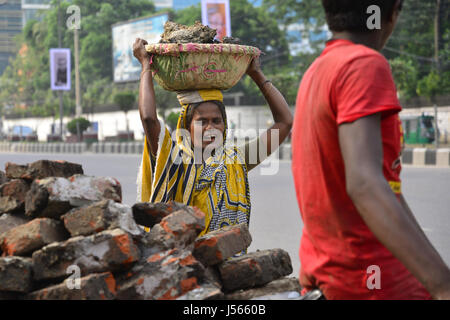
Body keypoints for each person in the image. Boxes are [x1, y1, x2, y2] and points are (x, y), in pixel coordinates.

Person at [291, 0, 450, 300]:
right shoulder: (363, 64)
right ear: (391, 13)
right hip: (371, 280)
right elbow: (365, 185)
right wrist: (442, 285)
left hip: (328, 273)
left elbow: (387, 189)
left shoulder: (316, 70)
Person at [133, 38, 293, 237]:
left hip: (229, 263)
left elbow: (284, 123)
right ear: (187, 126)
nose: (211, 128)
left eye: (217, 121)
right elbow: (149, 119)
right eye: (202, 121)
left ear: (225, 125)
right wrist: (145, 67)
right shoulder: (174, 159)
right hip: (185, 265)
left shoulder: (236, 159)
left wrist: (256, 74)